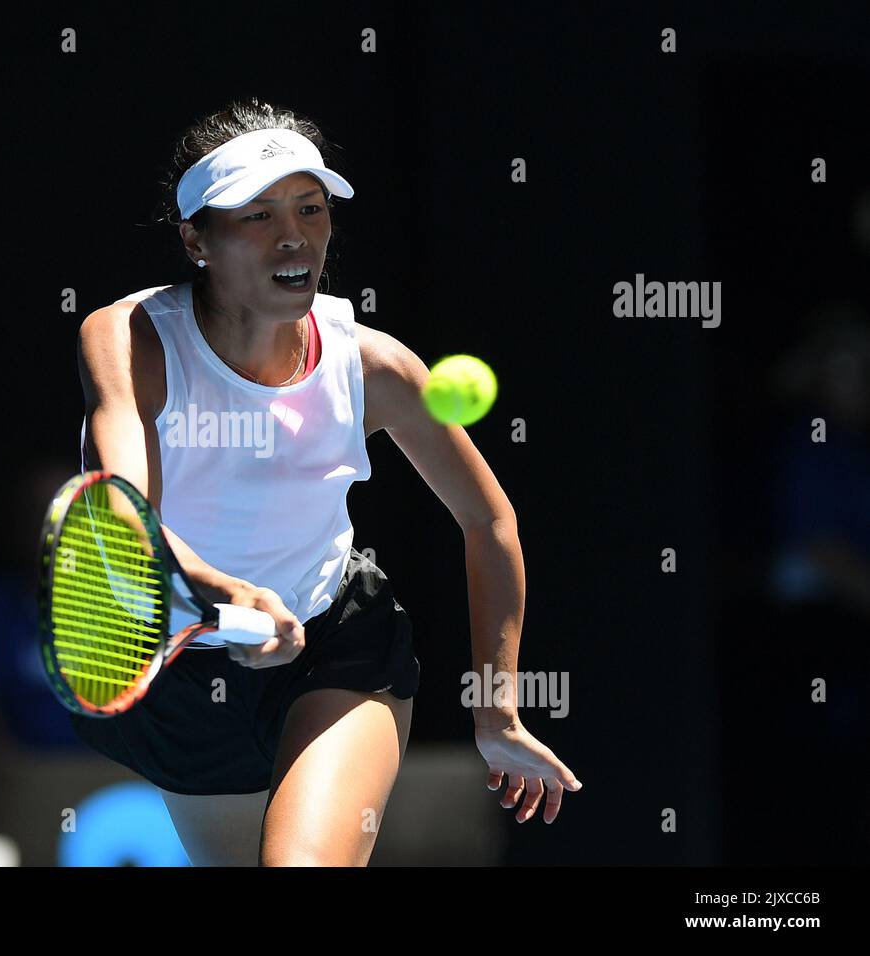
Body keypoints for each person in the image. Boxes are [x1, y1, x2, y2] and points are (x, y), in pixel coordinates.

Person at [69, 98, 580, 866]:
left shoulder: (374, 367)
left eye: (312, 209)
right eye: (257, 214)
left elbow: (489, 522)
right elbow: (119, 505)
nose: (293, 235)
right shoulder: (129, 336)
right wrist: (222, 592)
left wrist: (497, 710)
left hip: (336, 650)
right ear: (195, 239)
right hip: (182, 678)